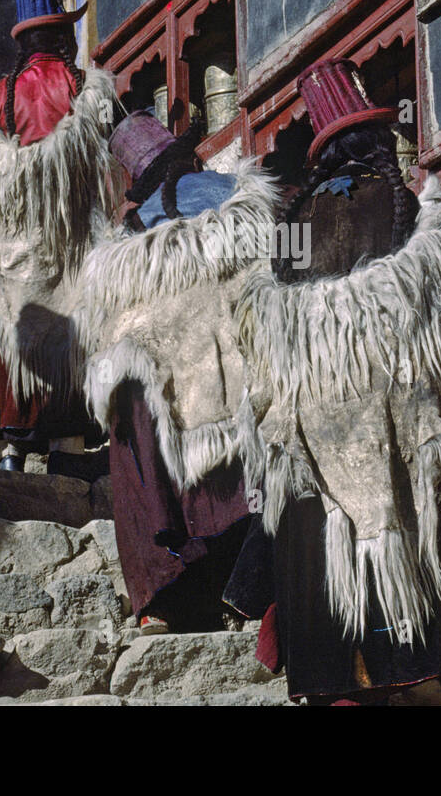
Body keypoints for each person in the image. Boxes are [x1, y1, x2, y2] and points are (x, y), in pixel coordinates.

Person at [236, 58, 441, 704]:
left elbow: (263, 355)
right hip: (407, 440)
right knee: (421, 576)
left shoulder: (293, 225)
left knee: (329, 585)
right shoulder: (408, 207)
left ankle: (342, 675)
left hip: (315, 457)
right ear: (376, 140)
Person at [78, 111, 279, 632]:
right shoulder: (243, 198)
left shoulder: (125, 243)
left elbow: (111, 340)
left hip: (169, 399)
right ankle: (259, 581)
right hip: (247, 379)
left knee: (129, 408)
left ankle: (162, 597)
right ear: (189, 156)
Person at [0, 0, 116, 475]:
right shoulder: (85, 86)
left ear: (23, 39)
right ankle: (67, 450)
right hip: (68, 239)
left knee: (14, 324)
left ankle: (12, 451)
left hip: (13, 242)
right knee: (68, 330)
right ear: (64, 35)